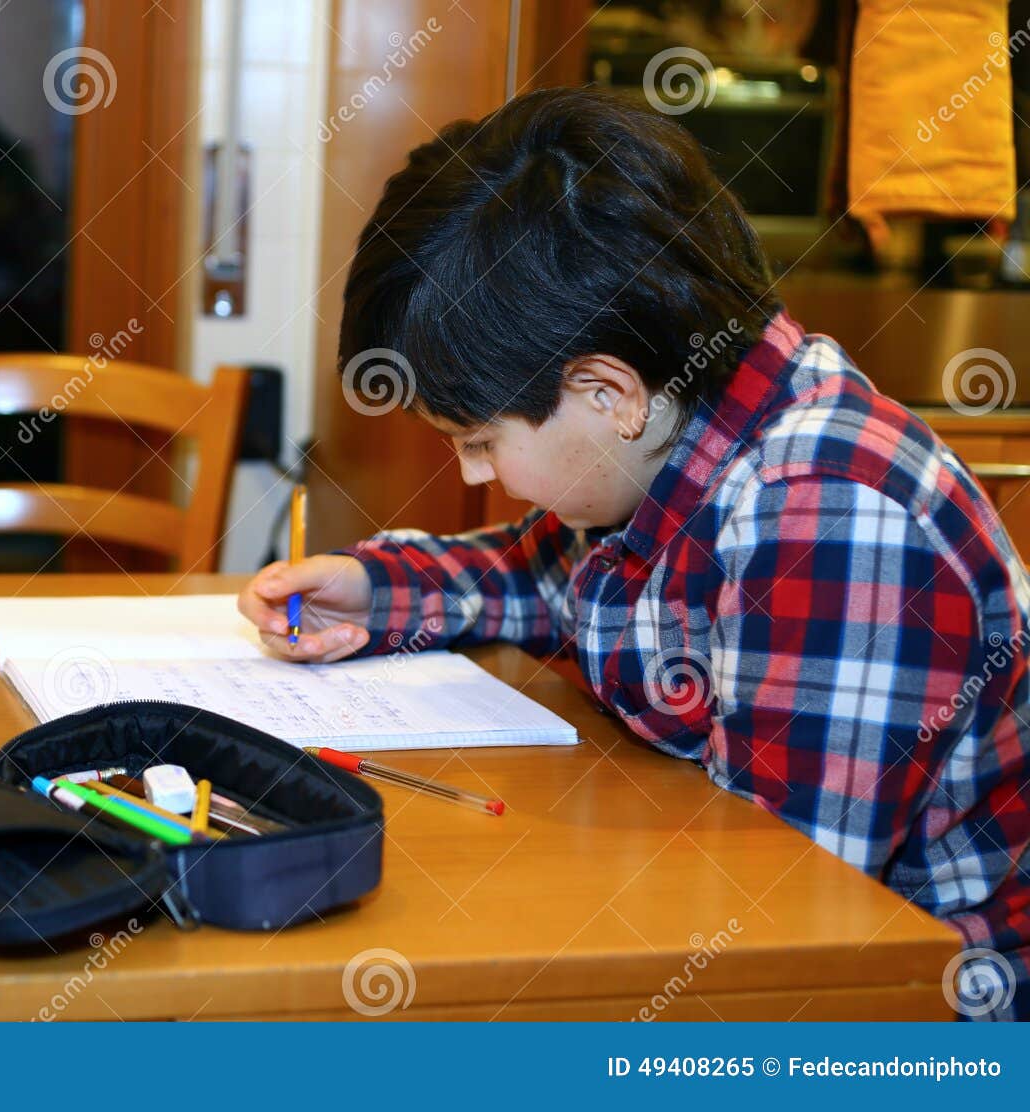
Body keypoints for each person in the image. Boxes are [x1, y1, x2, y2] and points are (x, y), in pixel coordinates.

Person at [238, 87, 1029, 1021]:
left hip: (935, 1010)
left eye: (480, 440)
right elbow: (551, 583)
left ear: (608, 393)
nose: (475, 473)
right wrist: (377, 592)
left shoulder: (830, 516)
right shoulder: (675, 434)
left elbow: (779, 917)